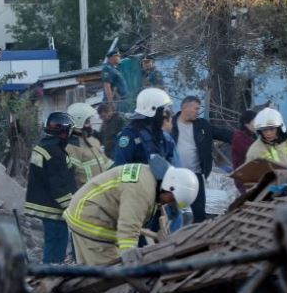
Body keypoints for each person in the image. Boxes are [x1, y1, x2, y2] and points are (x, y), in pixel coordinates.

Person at [64, 155, 199, 266]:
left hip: (90, 210)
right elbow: (128, 228)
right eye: (171, 199)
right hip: (89, 217)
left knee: (96, 269)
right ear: (169, 186)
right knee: (108, 274)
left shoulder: (152, 178)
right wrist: (130, 261)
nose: (168, 203)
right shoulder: (142, 190)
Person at [25, 112, 78, 264]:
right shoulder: (55, 152)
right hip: (53, 207)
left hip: (44, 202)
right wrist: (71, 207)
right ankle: (52, 272)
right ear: (63, 131)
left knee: (52, 241)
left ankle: (50, 270)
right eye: (69, 130)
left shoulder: (43, 146)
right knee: (58, 241)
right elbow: (59, 185)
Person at [172, 95, 233, 222]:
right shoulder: (171, 124)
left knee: (199, 211)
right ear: (185, 107)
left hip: (196, 175)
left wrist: (243, 137)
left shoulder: (202, 125)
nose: (198, 111)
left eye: (199, 109)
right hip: (175, 176)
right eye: (196, 108)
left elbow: (222, 133)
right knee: (174, 209)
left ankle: (198, 232)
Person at [113, 87, 173, 166]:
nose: (165, 115)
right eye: (164, 111)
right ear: (152, 111)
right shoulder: (129, 136)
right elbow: (121, 168)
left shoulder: (161, 136)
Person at [65, 103, 112, 186]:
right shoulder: (72, 146)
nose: (90, 124)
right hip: (87, 191)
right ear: (79, 122)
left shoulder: (94, 140)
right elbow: (71, 175)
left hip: (103, 189)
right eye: (87, 121)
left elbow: (107, 163)